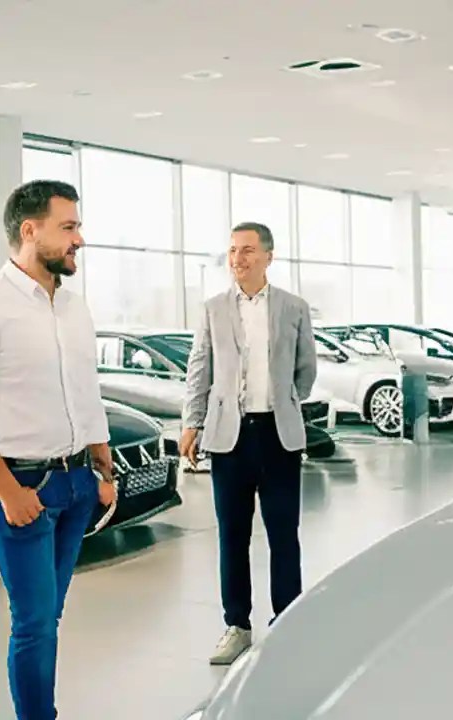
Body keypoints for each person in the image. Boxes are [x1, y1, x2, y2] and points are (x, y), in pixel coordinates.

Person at [0, 179, 118, 719]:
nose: (80, 240)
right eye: (68, 227)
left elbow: (86, 393)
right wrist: (8, 492)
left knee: (51, 615)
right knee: (35, 621)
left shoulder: (74, 308)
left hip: (76, 484)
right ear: (29, 230)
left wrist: (102, 466)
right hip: (23, 488)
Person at [181, 221, 318, 666]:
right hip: (229, 438)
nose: (238, 259)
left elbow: (305, 370)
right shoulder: (213, 308)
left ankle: (288, 620)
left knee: (284, 534)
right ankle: (237, 625)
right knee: (233, 536)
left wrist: (286, 400)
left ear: (268, 256)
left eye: (247, 251)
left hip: (278, 436)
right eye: (233, 251)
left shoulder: (294, 308)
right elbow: (199, 370)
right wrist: (192, 422)